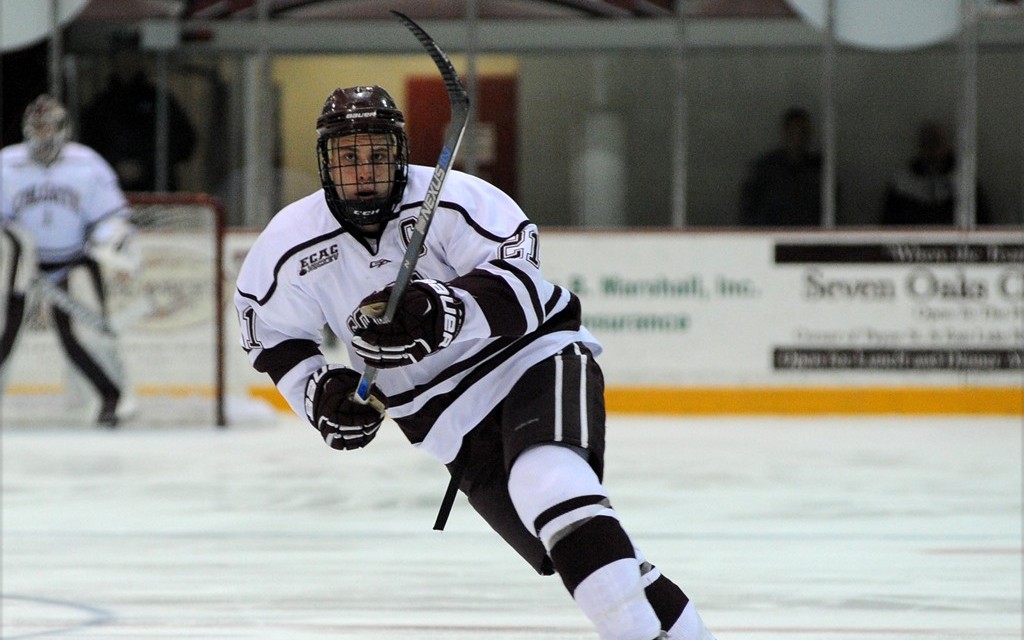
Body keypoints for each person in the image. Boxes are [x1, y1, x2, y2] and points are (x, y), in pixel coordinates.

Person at [234, 86, 717, 640]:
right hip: (444, 424)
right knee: (583, 550)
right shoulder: (290, 242)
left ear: (399, 153)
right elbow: (272, 335)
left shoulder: (456, 199)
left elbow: (522, 284)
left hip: (530, 361)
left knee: (546, 483)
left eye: (377, 154)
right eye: (348, 157)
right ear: (325, 161)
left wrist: (444, 310)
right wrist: (319, 396)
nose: (364, 171)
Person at [1, 94, 138, 427]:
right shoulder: (7, 163)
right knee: (4, 336)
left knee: (84, 337)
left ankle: (112, 399)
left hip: (73, 263)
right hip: (22, 265)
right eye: (37, 128)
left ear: (63, 128)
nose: (43, 135)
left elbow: (112, 215)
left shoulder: (87, 163)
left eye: (48, 127)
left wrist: (108, 242)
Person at [79, 44, 196, 192]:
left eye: (131, 57)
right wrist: (114, 165)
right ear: (113, 62)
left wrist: (146, 165)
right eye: (122, 58)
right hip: (110, 192)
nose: (127, 63)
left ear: (140, 60)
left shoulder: (160, 102)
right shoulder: (100, 106)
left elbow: (185, 141)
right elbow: (87, 147)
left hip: (157, 191)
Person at [881, 121, 990, 226]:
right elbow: (889, 223)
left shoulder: (964, 181)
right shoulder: (903, 183)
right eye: (927, 143)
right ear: (921, 146)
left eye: (937, 142)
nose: (932, 148)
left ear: (947, 145)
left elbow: (982, 222)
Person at [740, 106, 823, 227]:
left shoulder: (818, 169)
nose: (798, 137)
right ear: (785, 132)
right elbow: (749, 209)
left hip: (809, 235)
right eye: (794, 132)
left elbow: (829, 209)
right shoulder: (766, 168)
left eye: (803, 132)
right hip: (772, 234)